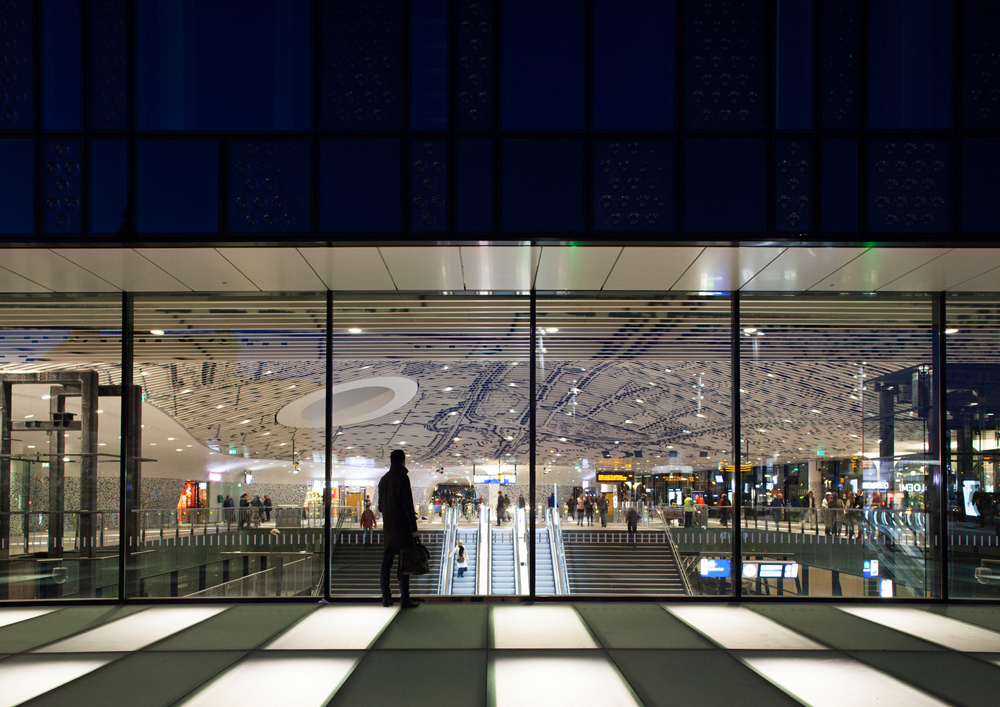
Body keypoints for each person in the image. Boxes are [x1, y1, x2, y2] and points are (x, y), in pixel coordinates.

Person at [378, 449, 420, 609]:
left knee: (386, 562)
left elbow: (381, 507)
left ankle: (386, 598)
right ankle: (404, 599)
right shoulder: (403, 477)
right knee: (404, 563)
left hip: (388, 528)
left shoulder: (383, 479)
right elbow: (407, 505)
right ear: (403, 461)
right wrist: (413, 527)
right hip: (402, 528)